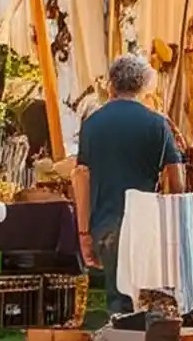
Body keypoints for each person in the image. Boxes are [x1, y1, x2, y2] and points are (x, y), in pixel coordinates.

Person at [73, 53, 186, 314]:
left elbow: (82, 179)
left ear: (111, 85)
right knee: (149, 299)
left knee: (118, 300)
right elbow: (177, 181)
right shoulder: (158, 124)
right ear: (145, 86)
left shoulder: (91, 124)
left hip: (105, 224)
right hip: (146, 225)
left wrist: (84, 233)